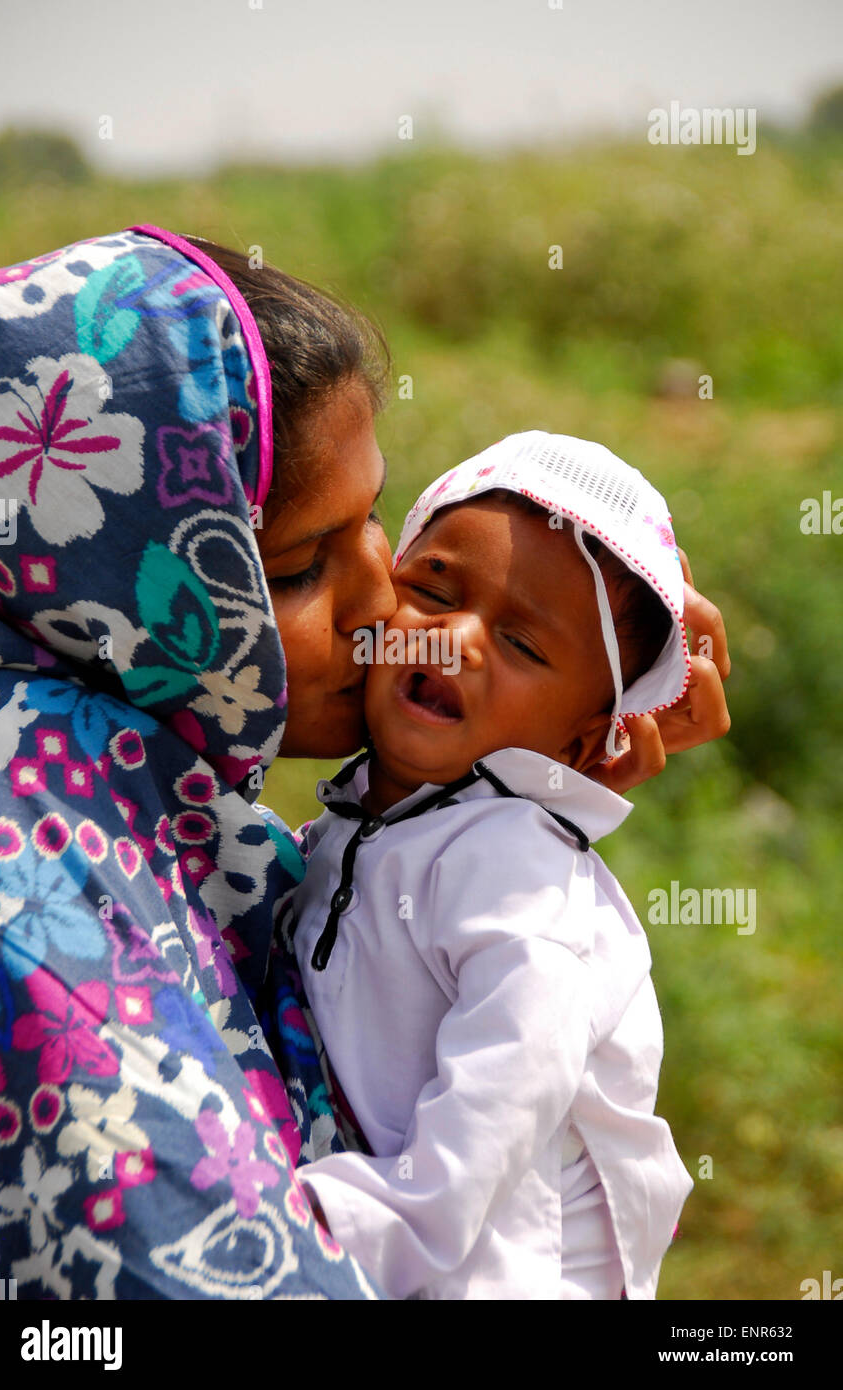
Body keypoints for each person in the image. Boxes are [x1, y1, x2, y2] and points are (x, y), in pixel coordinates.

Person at [0, 225, 729, 1299]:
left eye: (372, 518)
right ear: (122, 571)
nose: (385, 606)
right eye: (294, 566)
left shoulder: (147, 779)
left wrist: (531, 773)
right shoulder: (25, 854)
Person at [289, 433, 709, 1300]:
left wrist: (364, 1222)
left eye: (522, 645)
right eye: (433, 591)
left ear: (581, 744)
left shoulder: (513, 862)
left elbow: (511, 1081)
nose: (456, 639)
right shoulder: (365, 820)